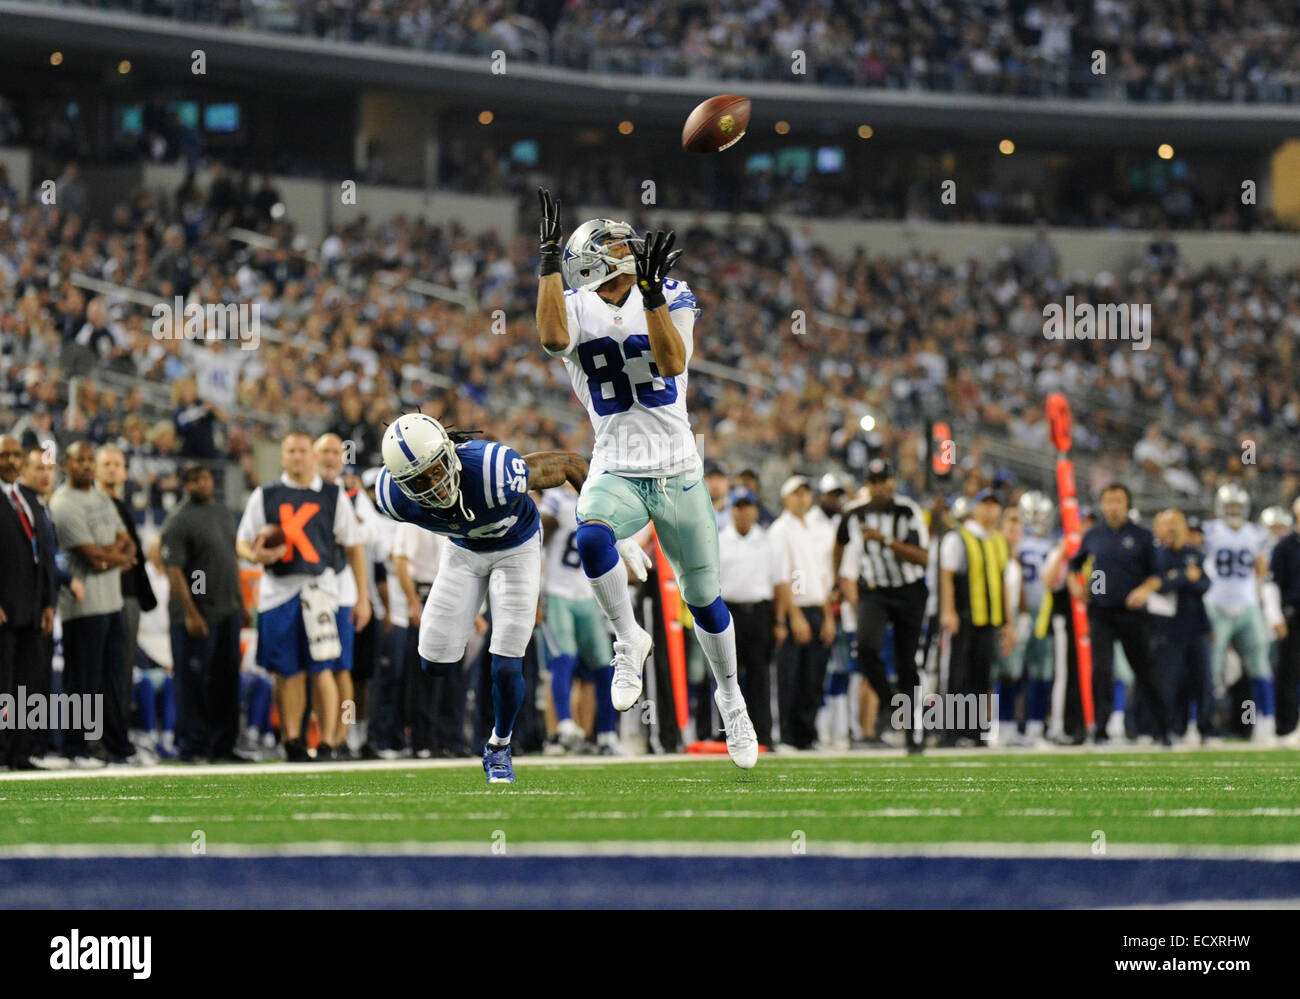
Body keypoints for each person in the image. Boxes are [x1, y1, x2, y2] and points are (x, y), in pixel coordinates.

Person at [534, 189, 758, 769]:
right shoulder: (575, 305)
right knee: (590, 536)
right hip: (615, 464)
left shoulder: (671, 293)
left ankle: (731, 698)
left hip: (678, 468)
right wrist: (548, 262)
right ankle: (628, 638)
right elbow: (553, 339)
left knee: (704, 600)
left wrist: (653, 295)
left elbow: (672, 361)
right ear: (590, 261)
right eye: (611, 243)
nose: (626, 247)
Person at [373, 413, 590, 784]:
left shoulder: (492, 470)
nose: (435, 485)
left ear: (450, 454)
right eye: (418, 481)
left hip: (516, 548)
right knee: (434, 663)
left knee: (506, 663)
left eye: (436, 468)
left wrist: (602, 530)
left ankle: (498, 746)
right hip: (463, 553)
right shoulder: (392, 498)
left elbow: (571, 464)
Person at [235, 431, 370, 762]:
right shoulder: (265, 494)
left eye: (302, 451)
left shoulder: (333, 494)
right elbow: (242, 540)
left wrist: (362, 597)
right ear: (282, 456)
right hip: (277, 590)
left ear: (311, 456)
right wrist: (256, 557)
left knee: (324, 667)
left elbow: (354, 547)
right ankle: (292, 739)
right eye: (291, 451)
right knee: (286, 671)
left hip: (320, 589)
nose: (297, 457)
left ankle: (329, 741)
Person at [49, 440, 138, 765]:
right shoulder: (63, 503)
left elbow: (126, 541)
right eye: (80, 461)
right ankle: (76, 747)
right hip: (82, 607)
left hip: (112, 601)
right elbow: (91, 556)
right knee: (82, 680)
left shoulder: (101, 497)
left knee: (114, 680)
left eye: (90, 460)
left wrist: (111, 557)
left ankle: (117, 747)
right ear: (66, 466)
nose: (87, 466)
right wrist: (114, 556)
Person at [1067, 482, 1171, 745]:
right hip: (1101, 612)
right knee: (1101, 671)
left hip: (1133, 613)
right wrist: (1076, 589)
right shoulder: (1093, 535)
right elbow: (1073, 566)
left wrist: (1143, 590)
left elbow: (1158, 575)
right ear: (1102, 504)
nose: (1113, 506)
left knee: (1146, 670)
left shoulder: (1141, 536)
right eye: (1109, 500)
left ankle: (1162, 730)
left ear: (1127, 505)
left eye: (1118, 501)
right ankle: (1100, 731)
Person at [835, 459, 929, 749]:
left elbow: (922, 557)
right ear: (867, 484)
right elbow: (838, 545)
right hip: (874, 591)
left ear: (893, 482)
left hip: (909, 590)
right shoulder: (854, 514)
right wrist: (837, 582)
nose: (878, 487)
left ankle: (912, 730)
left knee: (906, 663)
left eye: (883, 480)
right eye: (873, 481)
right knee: (865, 649)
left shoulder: (908, 510)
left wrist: (885, 540)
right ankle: (890, 704)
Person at [160, 463, 245, 762]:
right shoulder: (178, 521)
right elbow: (174, 571)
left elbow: (231, 558)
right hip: (197, 616)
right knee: (192, 683)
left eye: (205, 477)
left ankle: (224, 745)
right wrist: (190, 614)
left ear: (212, 479)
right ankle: (193, 745)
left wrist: (241, 602)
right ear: (185, 485)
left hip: (227, 611)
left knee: (227, 680)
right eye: (193, 480)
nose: (201, 483)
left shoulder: (223, 513)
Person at [537, 484, 623, 754]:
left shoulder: (601, 500)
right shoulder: (556, 499)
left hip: (588, 594)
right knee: (563, 659)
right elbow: (537, 530)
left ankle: (607, 734)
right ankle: (563, 726)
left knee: (603, 666)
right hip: (559, 591)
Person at [313, 433, 375, 758]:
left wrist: (364, 599)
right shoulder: (305, 491)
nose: (329, 458)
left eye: (335, 452)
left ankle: (343, 735)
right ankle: (325, 736)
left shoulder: (351, 491)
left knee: (343, 670)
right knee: (317, 668)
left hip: (344, 591)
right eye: (324, 451)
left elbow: (369, 532)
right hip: (313, 589)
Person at [938, 489, 1015, 745]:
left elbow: (1003, 583)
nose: (990, 510)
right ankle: (950, 732)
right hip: (963, 615)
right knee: (956, 674)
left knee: (982, 676)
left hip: (989, 620)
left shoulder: (999, 541)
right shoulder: (959, 538)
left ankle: (975, 731)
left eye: (995, 505)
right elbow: (947, 575)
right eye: (985, 504)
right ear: (976, 507)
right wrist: (948, 610)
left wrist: (1008, 622)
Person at [96, 444, 158, 756]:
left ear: (123, 471)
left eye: (116, 464)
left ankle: (117, 738)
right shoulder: (92, 505)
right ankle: (103, 741)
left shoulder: (121, 507)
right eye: (105, 463)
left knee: (122, 671)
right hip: (104, 596)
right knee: (104, 671)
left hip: (129, 596)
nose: (111, 469)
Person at [1201, 483, 1275, 742]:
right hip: (1216, 604)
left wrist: (1258, 595)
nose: (1233, 510)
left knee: (1260, 665)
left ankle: (1266, 723)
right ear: (1221, 508)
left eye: (1237, 506)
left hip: (1248, 604)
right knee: (1210, 668)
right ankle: (1203, 725)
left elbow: (1261, 568)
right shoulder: (1209, 531)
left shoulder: (1256, 533)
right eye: (1229, 506)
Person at [769, 476, 837, 750]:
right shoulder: (780, 530)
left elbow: (821, 576)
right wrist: (793, 615)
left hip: (817, 607)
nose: (802, 498)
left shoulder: (815, 529)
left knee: (813, 677)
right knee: (790, 676)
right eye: (796, 493)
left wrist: (829, 616)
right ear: (786, 498)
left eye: (805, 493)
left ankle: (807, 734)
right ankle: (787, 735)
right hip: (794, 608)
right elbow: (782, 577)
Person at [0, 435, 56, 769]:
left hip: (32, 609)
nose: (10, 461)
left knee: (26, 684)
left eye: (15, 455)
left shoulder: (28, 499)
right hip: (4, 609)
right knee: (2, 684)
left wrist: (48, 602)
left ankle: (20, 751)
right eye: (4, 455)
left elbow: (45, 555)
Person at [717, 486, 782, 750]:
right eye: (738, 507)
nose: (743, 512)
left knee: (760, 678)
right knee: (727, 679)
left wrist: (779, 621)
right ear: (732, 510)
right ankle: (728, 735)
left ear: (755, 510)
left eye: (747, 506)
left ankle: (763, 736)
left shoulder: (767, 541)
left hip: (759, 613)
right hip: (729, 612)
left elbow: (779, 584)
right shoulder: (720, 540)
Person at [1150, 509, 1213, 743]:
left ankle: (1204, 729)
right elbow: (1160, 585)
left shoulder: (1194, 554)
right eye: (1168, 523)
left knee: (1203, 682)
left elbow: (1205, 584)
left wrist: (1179, 578)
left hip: (1197, 626)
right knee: (1169, 683)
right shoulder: (1156, 555)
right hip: (1168, 630)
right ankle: (1168, 729)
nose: (1173, 528)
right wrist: (1186, 577)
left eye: (1177, 522)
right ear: (1158, 527)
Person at [1269, 497, 1300, 746]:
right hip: (1293, 615)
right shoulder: (1285, 547)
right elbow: (1271, 585)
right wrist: (1275, 616)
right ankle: (1286, 727)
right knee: (1288, 672)